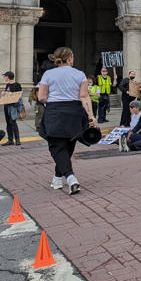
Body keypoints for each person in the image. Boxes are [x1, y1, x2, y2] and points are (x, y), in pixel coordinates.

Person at [38, 47, 96, 195]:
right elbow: (84, 96)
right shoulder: (80, 74)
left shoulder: (48, 74)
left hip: (55, 111)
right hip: (75, 112)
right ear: (70, 58)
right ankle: (57, 178)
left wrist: (53, 100)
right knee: (68, 145)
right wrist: (91, 115)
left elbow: (41, 97)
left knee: (57, 147)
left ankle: (70, 178)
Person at [1, 71, 23, 147]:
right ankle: (10, 140)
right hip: (6, 105)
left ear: (8, 77)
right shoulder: (8, 85)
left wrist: (20, 110)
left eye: (5, 76)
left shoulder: (17, 85)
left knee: (13, 122)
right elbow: (7, 93)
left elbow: (19, 96)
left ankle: (17, 140)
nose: (4, 78)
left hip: (13, 106)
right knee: (8, 123)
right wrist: (4, 93)